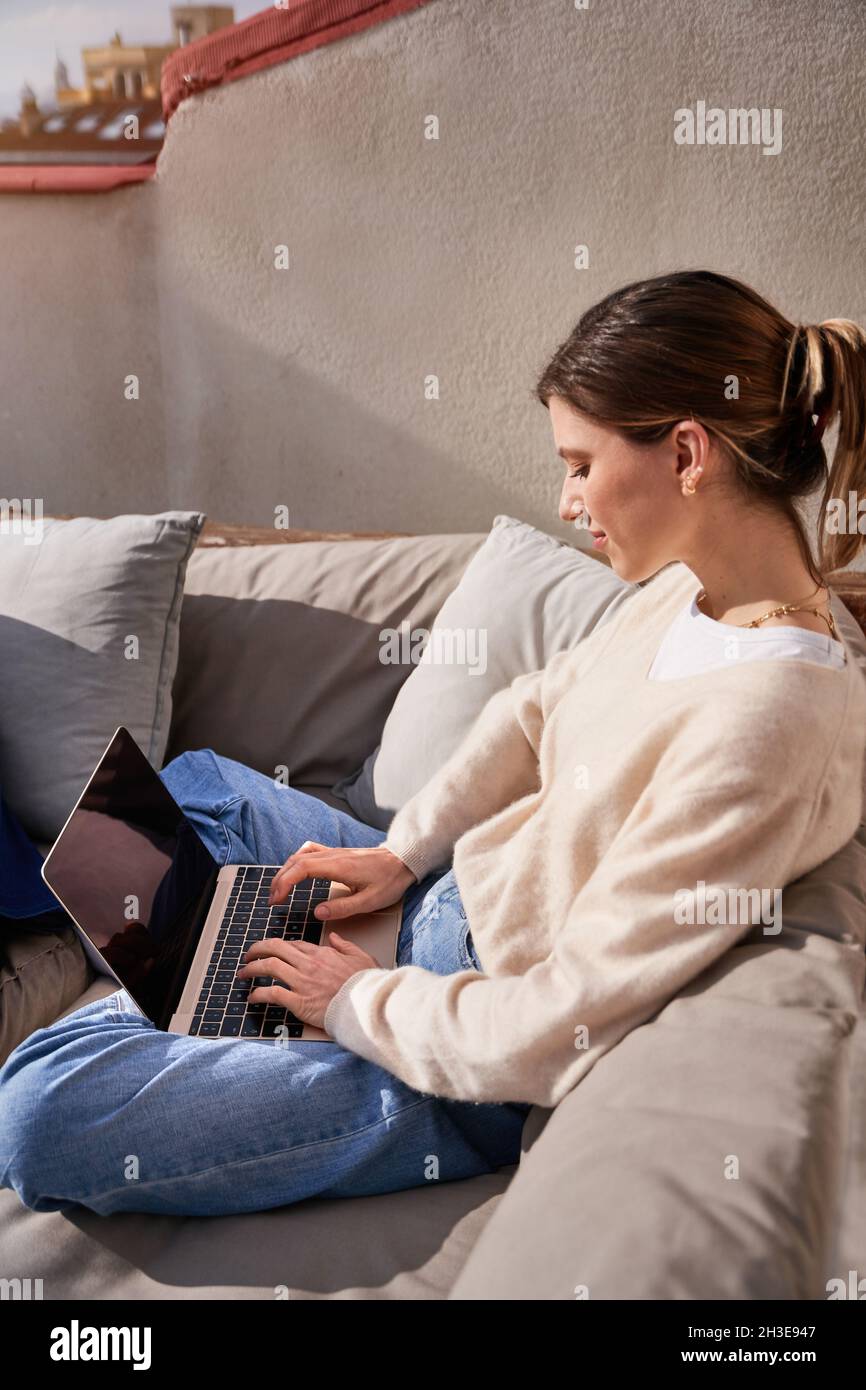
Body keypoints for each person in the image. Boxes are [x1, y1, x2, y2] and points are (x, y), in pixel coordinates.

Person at [2, 268, 865, 1218]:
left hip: (458, 1053)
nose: (569, 501)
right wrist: (398, 854)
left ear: (688, 453)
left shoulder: (771, 719)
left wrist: (352, 1004)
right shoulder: (687, 592)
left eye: (580, 464)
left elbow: (559, 1022)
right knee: (196, 783)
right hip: (438, 907)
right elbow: (533, 710)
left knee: (37, 1107)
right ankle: (212, 968)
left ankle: (213, 987)